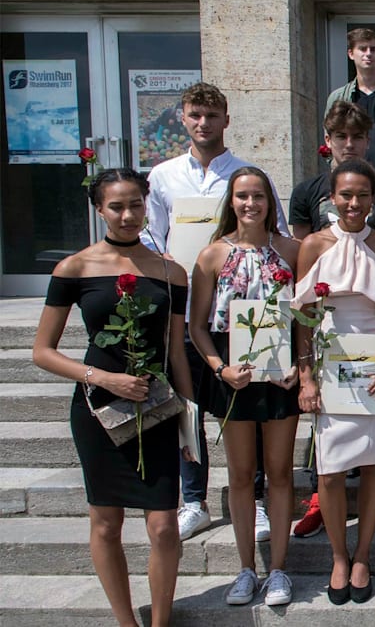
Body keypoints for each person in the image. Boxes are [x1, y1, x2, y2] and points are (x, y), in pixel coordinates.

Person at [33, 168, 193, 627]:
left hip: (157, 405)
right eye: (117, 206)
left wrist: (188, 419)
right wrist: (104, 378)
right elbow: (42, 352)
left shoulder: (170, 271)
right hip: (97, 408)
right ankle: (126, 622)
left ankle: (160, 621)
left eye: (136, 205)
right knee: (106, 522)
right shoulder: (74, 269)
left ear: (148, 205)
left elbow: (175, 349)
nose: (128, 215)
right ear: (99, 209)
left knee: (163, 526)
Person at [141, 82, 288, 542]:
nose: (202, 123)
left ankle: (257, 497)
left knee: (245, 403)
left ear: (226, 119)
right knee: (189, 404)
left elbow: (277, 238)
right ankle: (194, 498)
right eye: (194, 115)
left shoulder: (246, 174)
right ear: (183, 118)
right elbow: (150, 238)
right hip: (186, 300)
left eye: (211, 115)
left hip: (243, 311)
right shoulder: (163, 175)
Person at [293, 159, 375, 605]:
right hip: (329, 358)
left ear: (373, 200)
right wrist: (305, 376)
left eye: (362, 195)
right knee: (332, 467)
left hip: (373, 361)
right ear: (331, 199)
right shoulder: (313, 245)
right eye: (346, 195)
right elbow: (301, 317)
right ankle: (338, 556)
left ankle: (362, 556)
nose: (354, 203)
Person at [188, 167, 301, 606]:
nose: (250, 203)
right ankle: (245, 569)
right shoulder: (212, 255)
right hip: (234, 378)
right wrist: (219, 369)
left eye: (258, 195)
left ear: (271, 201)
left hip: (280, 377)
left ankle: (278, 570)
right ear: (230, 202)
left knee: (279, 474)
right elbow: (196, 326)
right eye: (242, 196)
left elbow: (308, 316)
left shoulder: (292, 249)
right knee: (238, 476)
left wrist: (300, 364)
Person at [291, 102, 375, 241]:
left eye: (357, 137)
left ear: (367, 141)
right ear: (328, 140)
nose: (349, 145)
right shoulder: (305, 192)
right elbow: (300, 250)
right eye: (341, 136)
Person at [325, 28, 375, 124]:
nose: (368, 54)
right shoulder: (338, 97)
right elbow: (331, 133)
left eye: (373, 49)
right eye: (363, 49)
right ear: (351, 54)